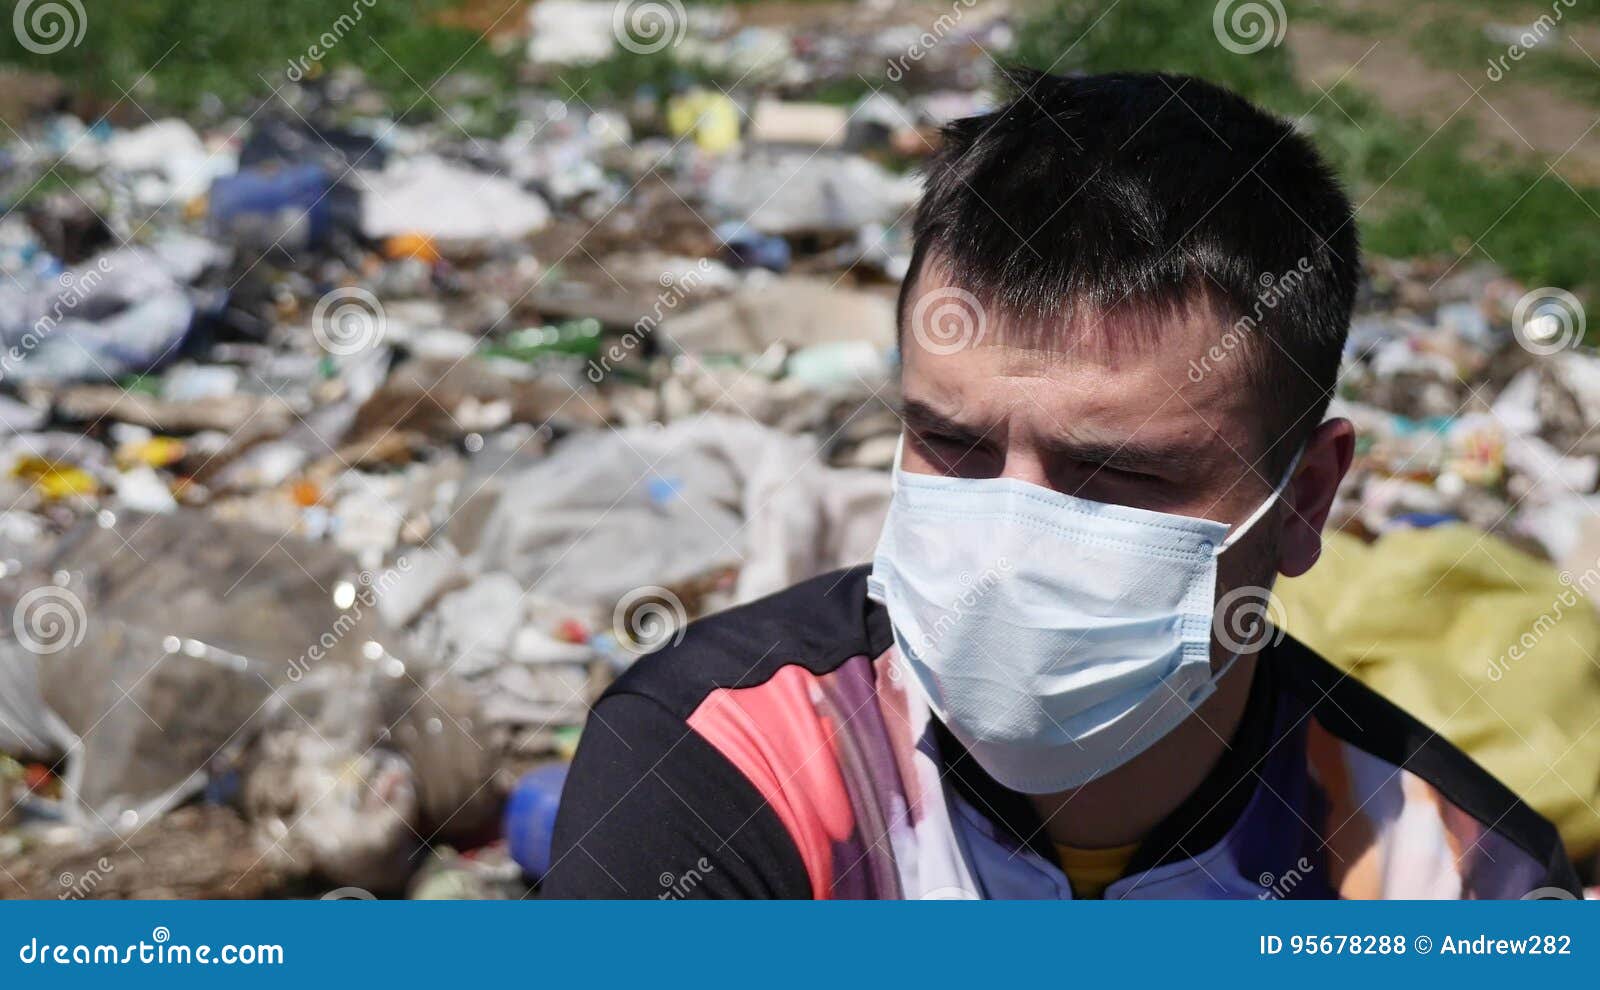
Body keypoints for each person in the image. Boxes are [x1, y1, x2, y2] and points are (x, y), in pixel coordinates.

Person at [542, 70, 1579, 899]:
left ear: (1305, 500)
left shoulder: (1453, 873)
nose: (1008, 547)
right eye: (952, 444)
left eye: (1117, 471)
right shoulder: (723, 762)